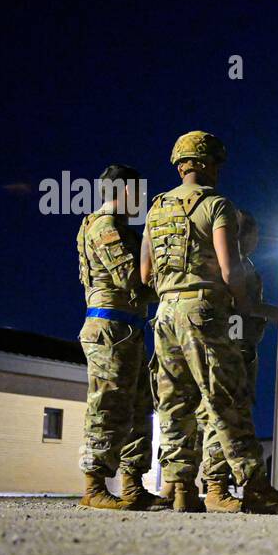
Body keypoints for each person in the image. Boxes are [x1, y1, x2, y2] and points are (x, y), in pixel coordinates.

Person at [140, 130, 278, 514]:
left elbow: (145, 273)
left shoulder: (156, 207)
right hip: (204, 310)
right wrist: (243, 304)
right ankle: (254, 487)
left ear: (180, 164)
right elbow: (230, 268)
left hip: (164, 314)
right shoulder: (217, 205)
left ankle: (180, 489)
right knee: (225, 398)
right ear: (209, 163)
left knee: (175, 400)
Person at [76, 164, 164, 510]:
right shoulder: (105, 226)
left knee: (139, 407)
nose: (141, 199)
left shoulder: (117, 226)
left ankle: (133, 485)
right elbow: (131, 278)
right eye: (138, 192)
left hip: (127, 328)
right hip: (109, 327)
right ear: (124, 191)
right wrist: (175, 285)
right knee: (108, 405)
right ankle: (94, 486)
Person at [197, 209, 278, 510]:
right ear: (243, 235)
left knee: (224, 414)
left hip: (239, 350)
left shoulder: (239, 263)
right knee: (222, 416)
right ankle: (216, 486)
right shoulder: (233, 265)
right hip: (231, 351)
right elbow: (245, 307)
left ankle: (204, 485)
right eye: (254, 234)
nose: (258, 241)